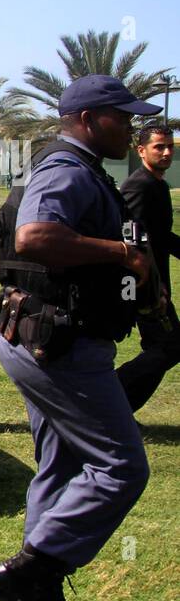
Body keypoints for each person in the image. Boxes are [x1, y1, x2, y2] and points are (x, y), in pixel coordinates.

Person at [0, 75, 159, 601]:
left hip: (43, 336)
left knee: (60, 468)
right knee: (121, 467)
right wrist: (120, 252)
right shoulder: (67, 169)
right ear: (87, 118)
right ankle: (25, 576)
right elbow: (34, 237)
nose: (131, 127)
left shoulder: (77, 167)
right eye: (121, 117)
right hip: (55, 342)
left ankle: (41, 598)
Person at [115, 123, 179, 410]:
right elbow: (131, 236)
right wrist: (151, 282)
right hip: (141, 284)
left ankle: (120, 407)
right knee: (168, 346)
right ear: (141, 150)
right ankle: (111, 399)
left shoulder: (157, 184)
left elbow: (161, 236)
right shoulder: (139, 186)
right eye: (159, 147)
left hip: (154, 281)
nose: (166, 152)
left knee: (165, 347)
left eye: (170, 147)